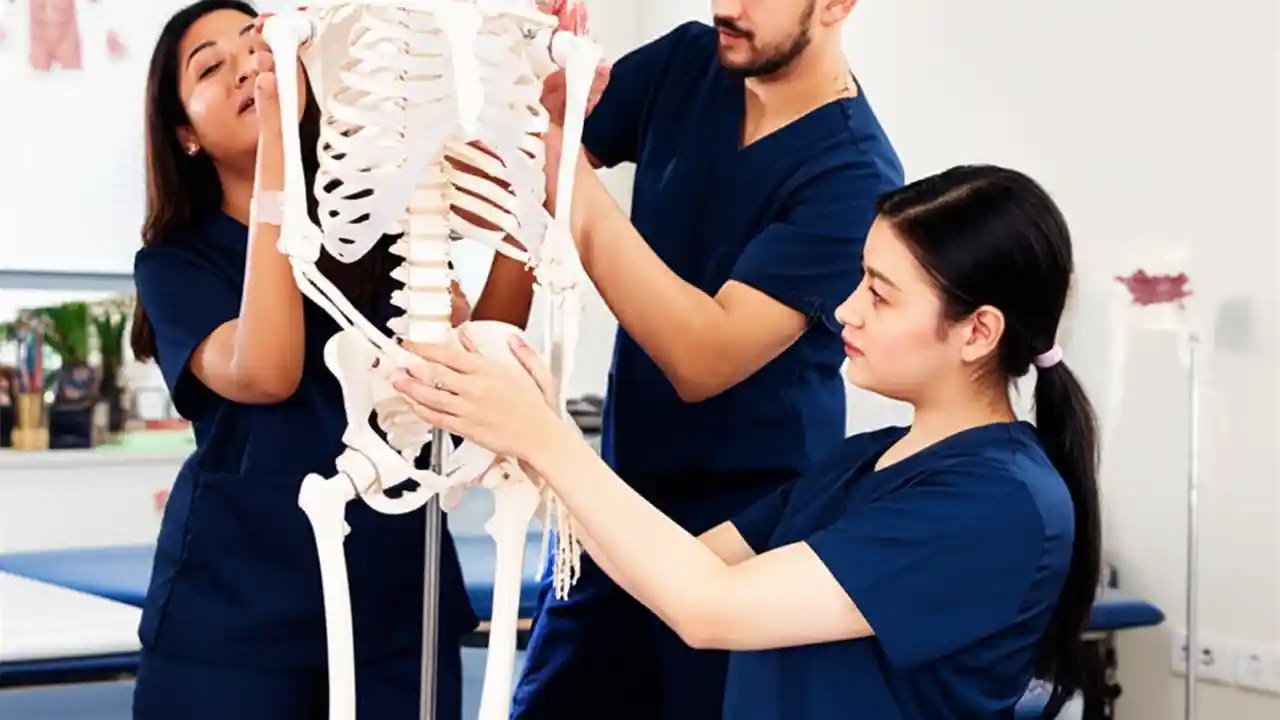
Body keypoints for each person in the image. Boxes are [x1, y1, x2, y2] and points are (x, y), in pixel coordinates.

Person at [396, 164, 1104, 719]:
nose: (847, 308)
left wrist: (551, 444)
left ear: (979, 331)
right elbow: (673, 573)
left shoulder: (999, 501)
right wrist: (533, 437)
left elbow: (713, 609)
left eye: (880, 294)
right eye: (859, 278)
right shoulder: (863, 461)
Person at [128, 2, 536, 717]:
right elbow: (268, 369)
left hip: (399, 607)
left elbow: (478, 371)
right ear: (186, 133)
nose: (248, 68)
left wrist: (530, 200)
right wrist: (283, 141)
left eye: (256, 49)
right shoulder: (175, 264)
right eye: (211, 67)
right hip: (234, 623)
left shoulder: (378, 231)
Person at [520, 0, 904, 715]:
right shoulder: (688, 63)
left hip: (749, 530)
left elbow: (700, 357)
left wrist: (560, 169)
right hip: (620, 504)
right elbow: (530, 156)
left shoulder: (853, 177)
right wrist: (530, 69)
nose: (727, 6)